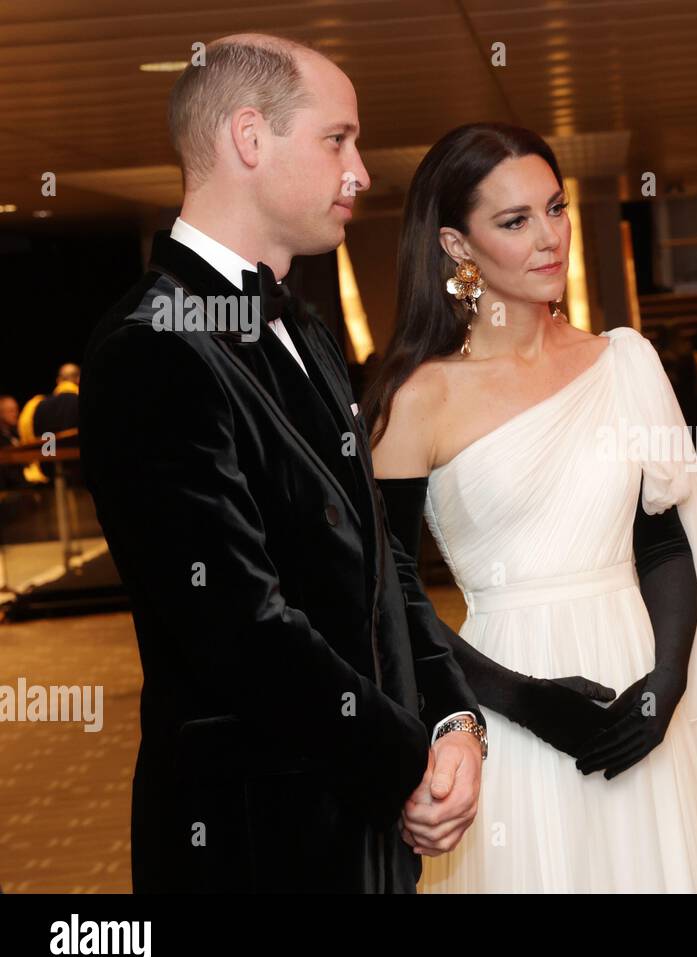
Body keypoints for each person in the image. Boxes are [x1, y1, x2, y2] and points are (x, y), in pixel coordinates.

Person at [80, 34, 489, 893]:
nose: (362, 171)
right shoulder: (149, 348)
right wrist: (408, 760)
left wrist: (454, 718)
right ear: (248, 139)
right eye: (337, 139)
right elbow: (237, 628)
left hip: (366, 828)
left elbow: (384, 565)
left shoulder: (305, 329)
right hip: (253, 841)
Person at [366, 122, 697, 892]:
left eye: (555, 208)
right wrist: (525, 701)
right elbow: (388, 595)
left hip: (638, 700)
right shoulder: (414, 400)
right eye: (515, 221)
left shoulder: (624, 361)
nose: (550, 237)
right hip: (502, 704)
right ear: (456, 245)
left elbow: (660, 543)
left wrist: (667, 684)